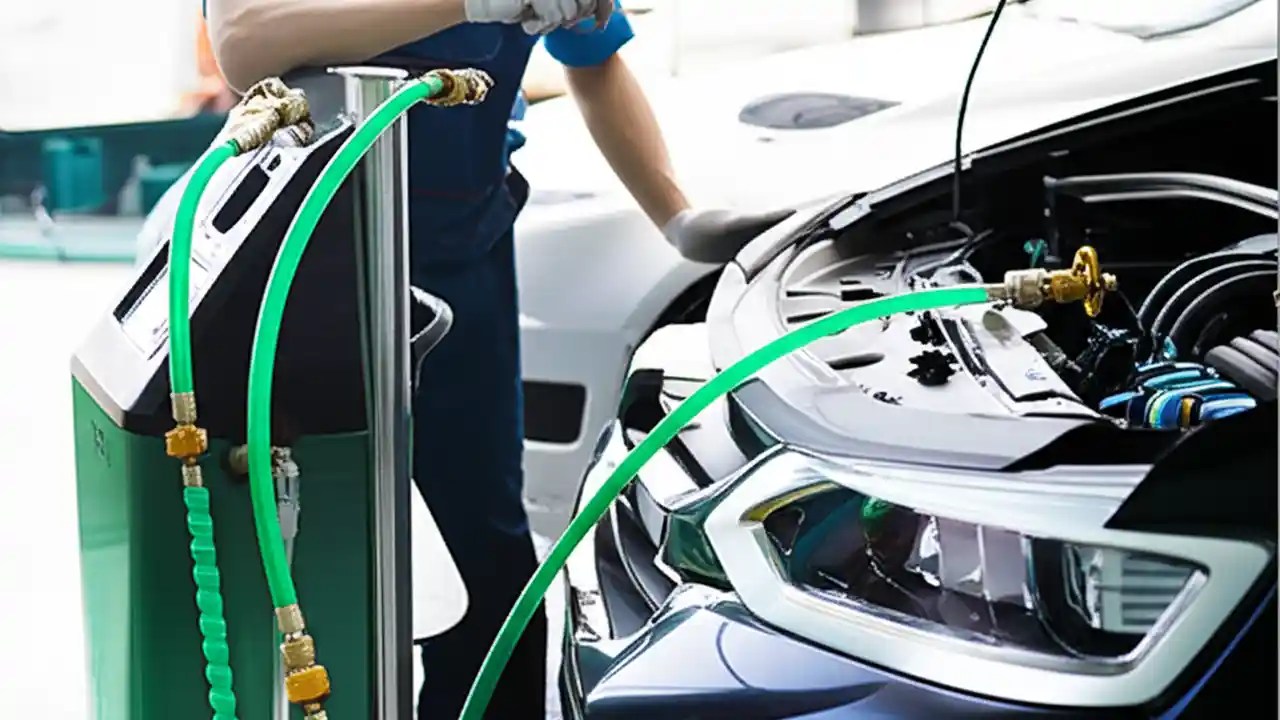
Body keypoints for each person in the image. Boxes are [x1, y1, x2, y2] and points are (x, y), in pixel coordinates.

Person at [205, 1, 783, 717]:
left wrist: (676, 216)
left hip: (461, 263)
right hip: (305, 259)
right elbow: (242, 41)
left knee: (490, 579)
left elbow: (594, 59)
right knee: (317, 563)